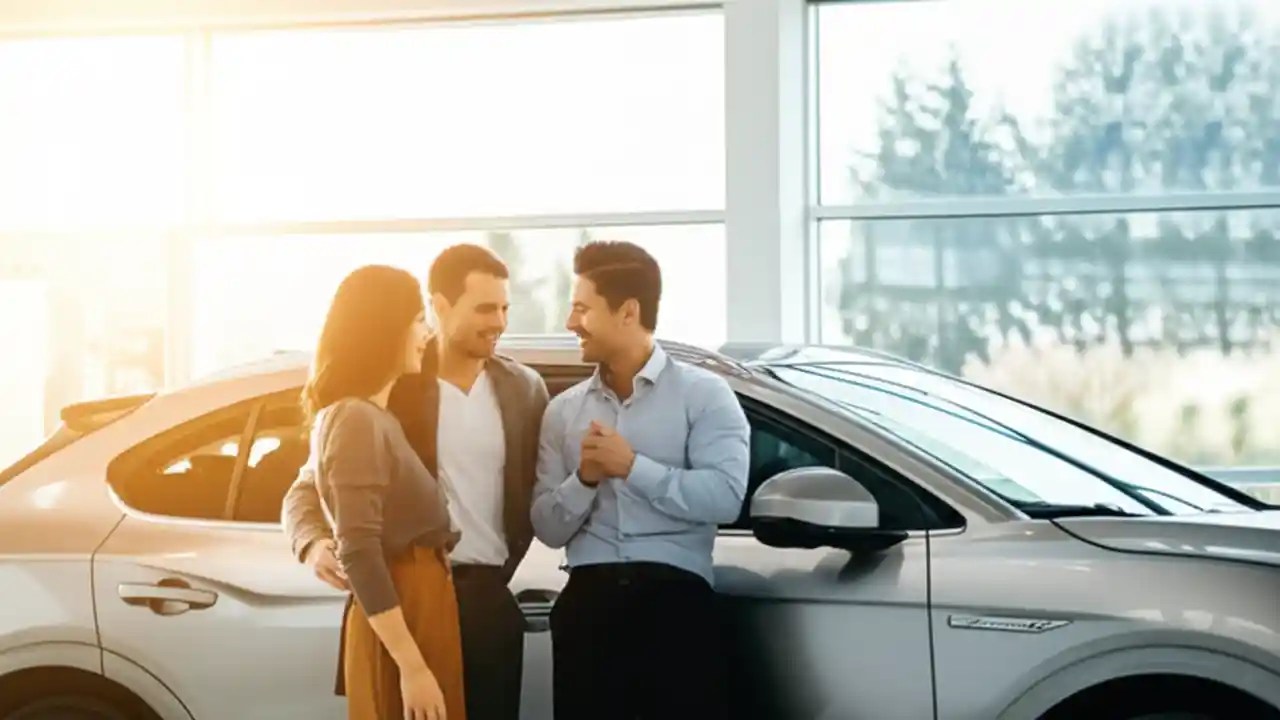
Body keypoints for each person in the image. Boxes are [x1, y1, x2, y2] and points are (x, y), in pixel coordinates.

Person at [284, 244, 548, 720]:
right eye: (485, 308)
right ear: (440, 306)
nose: (500, 322)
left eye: (505, 308)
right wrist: (314, 542)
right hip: (405, 597)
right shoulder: (389, 391)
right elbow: (308, 485)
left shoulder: (524, 390)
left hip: (487, 598)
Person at [531, 240, 751, 720]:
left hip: (676, 610)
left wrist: (632, 467)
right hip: (587, 611)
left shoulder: (706, 396)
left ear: (627, 312)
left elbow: (725, 498)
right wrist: (583, 480)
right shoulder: (562, 412)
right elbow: (547, 528)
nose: (571, 323)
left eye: (581, 308)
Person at [301, 264, 463, 720]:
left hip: (417, 603)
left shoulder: (370, 415)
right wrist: (412, 667)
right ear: (383, 329)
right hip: (404, 607)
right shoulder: (356, 419)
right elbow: (359, 548)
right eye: (416, 321)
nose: (427, 333)